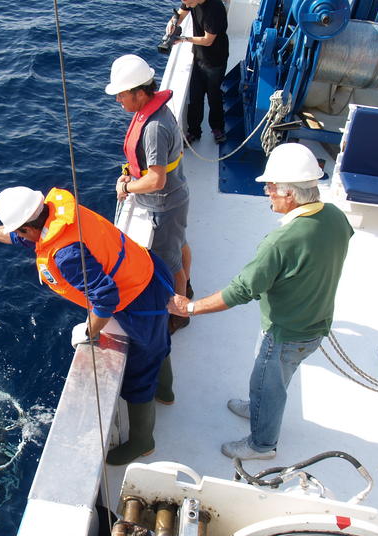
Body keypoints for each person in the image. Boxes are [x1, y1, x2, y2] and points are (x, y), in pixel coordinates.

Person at [0, 186, 175, 465]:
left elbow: (106, 299)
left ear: (27, 228)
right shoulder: (55, 213)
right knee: (158, 344)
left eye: (20, 231)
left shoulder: (66, 255)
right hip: (145, 268)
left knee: (141, 369)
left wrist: (89, 332)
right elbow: (21, 236)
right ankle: (166, 393)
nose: (20, 237)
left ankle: (144, 441)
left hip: (139, 298)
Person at [168, 144, 353, 459]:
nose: (267, 192)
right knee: (274, 378)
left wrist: (189, 307)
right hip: (315, 325)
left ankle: (262, 444)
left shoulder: (280, 242)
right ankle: (258, 406)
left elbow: (241, 290)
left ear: (290, 195)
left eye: (271, 187)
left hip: (284, 333)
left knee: (269, 383)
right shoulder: (335, 216)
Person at [105, 54, 193, 339]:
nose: (119, 100)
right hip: (175, 199)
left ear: (140, 94)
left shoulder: (153, 128)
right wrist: (131, 176)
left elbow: (156, 179)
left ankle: (180, 313)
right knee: (180, 245)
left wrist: (127, 188)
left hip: (165, 205)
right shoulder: (157, 114)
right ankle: (186, 288)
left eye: (122, 95)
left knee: (170, 263)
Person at [169, 0, 229, 144]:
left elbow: (208, 40)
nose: (187, 5)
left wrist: (183, 39)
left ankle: (217, 128)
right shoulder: (191, 2)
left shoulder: (214, 9)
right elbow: (181, 13)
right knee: (195, 97)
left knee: (214, 96)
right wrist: (173, 24)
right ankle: (194, 131)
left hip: (215, 61)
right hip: (199, 57)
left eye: (188, 3)